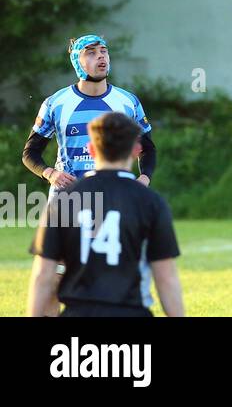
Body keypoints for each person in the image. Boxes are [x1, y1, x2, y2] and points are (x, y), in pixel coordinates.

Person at [23, 34, 156, 316]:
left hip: (116, 199)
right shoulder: (56, 103)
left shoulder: (127, 101)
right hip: (68, 203)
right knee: (54, 278)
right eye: (92, 52)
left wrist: (144, 180)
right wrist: (50, 173)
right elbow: (30, 153)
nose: (101, 57)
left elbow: (148, 149)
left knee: (115, 277)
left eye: (104, 51)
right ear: (77, 61)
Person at [28, 112, 183, 317]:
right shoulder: (151, 202)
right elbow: (166, 278)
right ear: (137, 150)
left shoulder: (64, 199)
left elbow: (43, 276)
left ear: (91, 150)